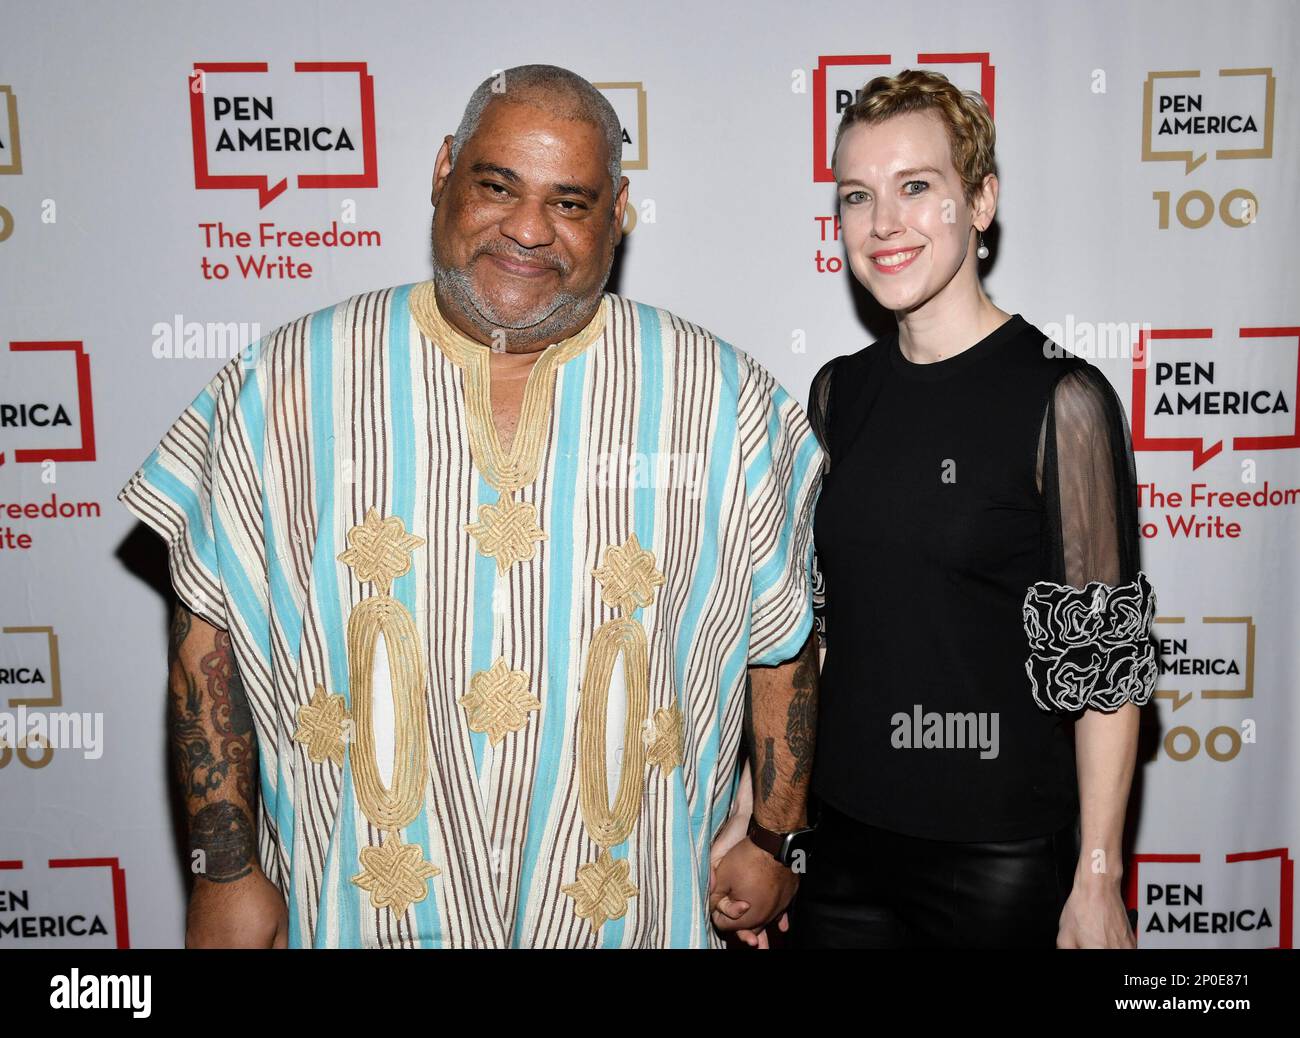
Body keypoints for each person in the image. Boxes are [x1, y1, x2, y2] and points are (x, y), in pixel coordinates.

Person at [118, 64, 822, 948]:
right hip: (360, 912)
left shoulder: (723, 400)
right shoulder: (288, 383)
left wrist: (773, 835)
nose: (528, 230)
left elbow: (785, 639)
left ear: (619, 212)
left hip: (629, 913)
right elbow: (203, 636)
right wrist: (224, 870)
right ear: (445, 168)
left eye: (570, 203)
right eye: (498, 186)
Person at [789, 69, 1156, 949]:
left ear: (981, 201)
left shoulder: (1062, 400)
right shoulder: (839, 393)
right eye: (857, 195)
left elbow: (1103, 672)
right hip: (839, 849)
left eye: (917, 187)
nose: (883, 223)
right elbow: (818, 632)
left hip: (996, 862)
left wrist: (1098, 879)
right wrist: (766, 821)